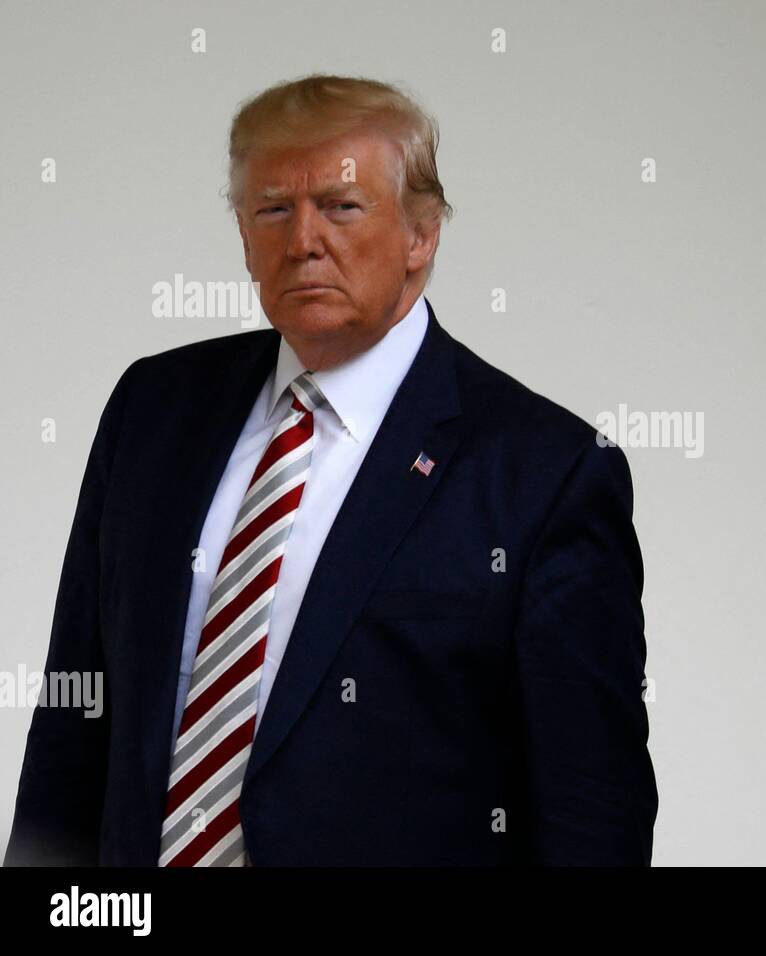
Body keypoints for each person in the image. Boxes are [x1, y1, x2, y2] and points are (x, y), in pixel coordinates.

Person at [5, 75, 656, 866]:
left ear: (423, 233)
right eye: (274, 209)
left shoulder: (542, 474)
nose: (303, 240)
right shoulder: (154, 409)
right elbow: (75, 730)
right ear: (243, 235)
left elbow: (592, 815)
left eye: (343, 207)